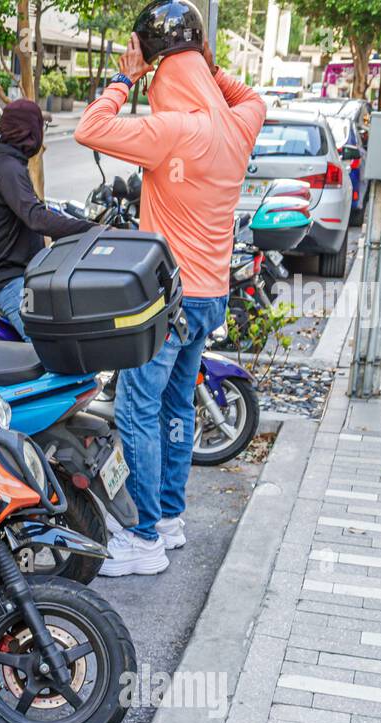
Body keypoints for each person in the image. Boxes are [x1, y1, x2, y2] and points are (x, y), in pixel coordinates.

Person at [74, 0, 264, 576]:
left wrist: (122, 77)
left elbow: (90, 128)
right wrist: (206, 64)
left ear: (159, 68)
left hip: (168, 299)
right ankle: (171, 519)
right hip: (210, 297)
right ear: (201, 62)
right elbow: (251, 95)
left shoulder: (172, 128)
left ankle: (143, 534)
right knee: (178, 406)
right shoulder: (239, 122)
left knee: (137, 409)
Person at [0, 99, 92, 336]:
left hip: (22, 273)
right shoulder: (7, 169)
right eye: (40, 127)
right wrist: (90, 229)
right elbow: (36, 218)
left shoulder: (7, 163)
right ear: (29, 130)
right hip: (7, 280)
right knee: (46, 343)